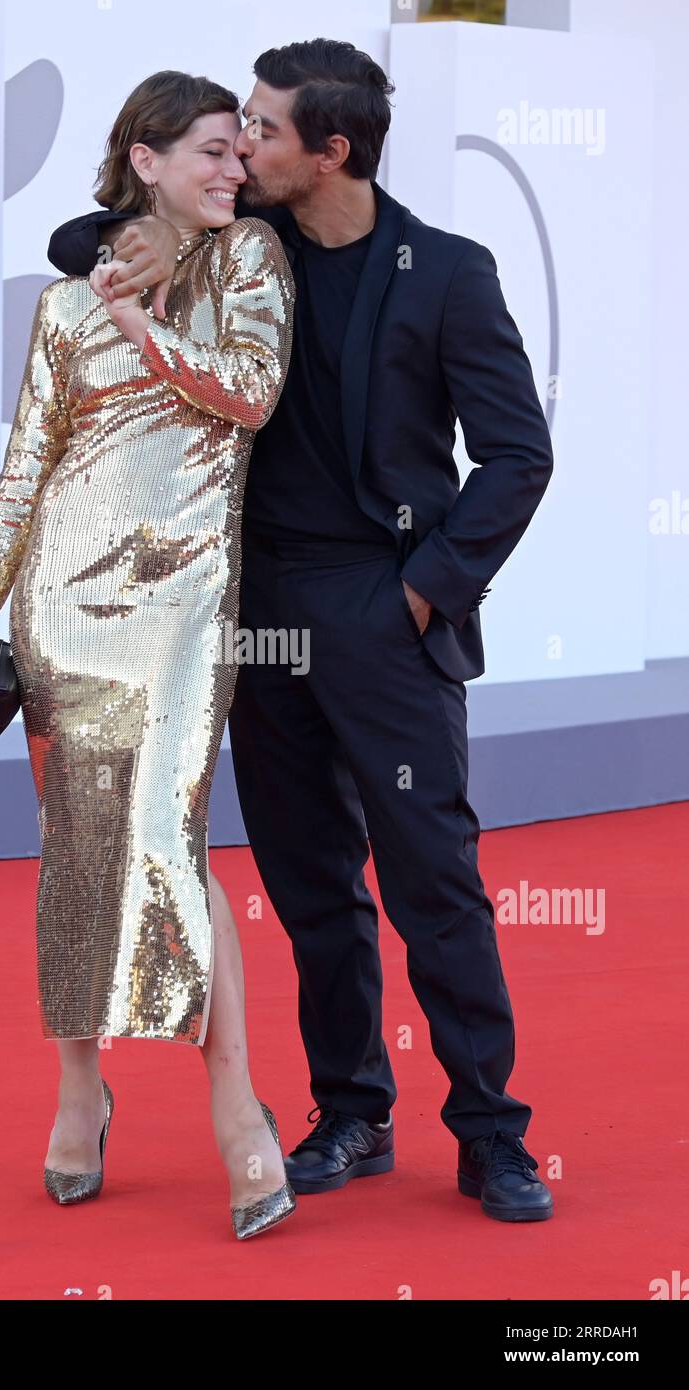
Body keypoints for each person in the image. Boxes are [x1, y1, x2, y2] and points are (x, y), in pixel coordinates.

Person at [46, 38, 556, 1223]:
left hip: (382, 609)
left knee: (435, 880)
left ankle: (490, 1134)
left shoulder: (447, 272)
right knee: (309, 883)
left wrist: (425, 588)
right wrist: (121, 243)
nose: (243, 143)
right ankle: (351, 1112)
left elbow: (517, 455)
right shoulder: (230, 251)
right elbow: (88, 238)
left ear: (329, 151)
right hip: (256, 611)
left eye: (264, 130)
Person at [0, 70, 297, 1241]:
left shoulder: (248, 267)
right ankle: (80, 1085)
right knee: (77, 852)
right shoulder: (59, 307)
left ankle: (236, 1104)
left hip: (185, 603)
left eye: (241, 152)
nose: (236, 170)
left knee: (164, 842)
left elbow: (248, 399)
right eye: (212, 151)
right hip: (65, 609)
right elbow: (25, 471)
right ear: (144, 158)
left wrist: (142, 319)